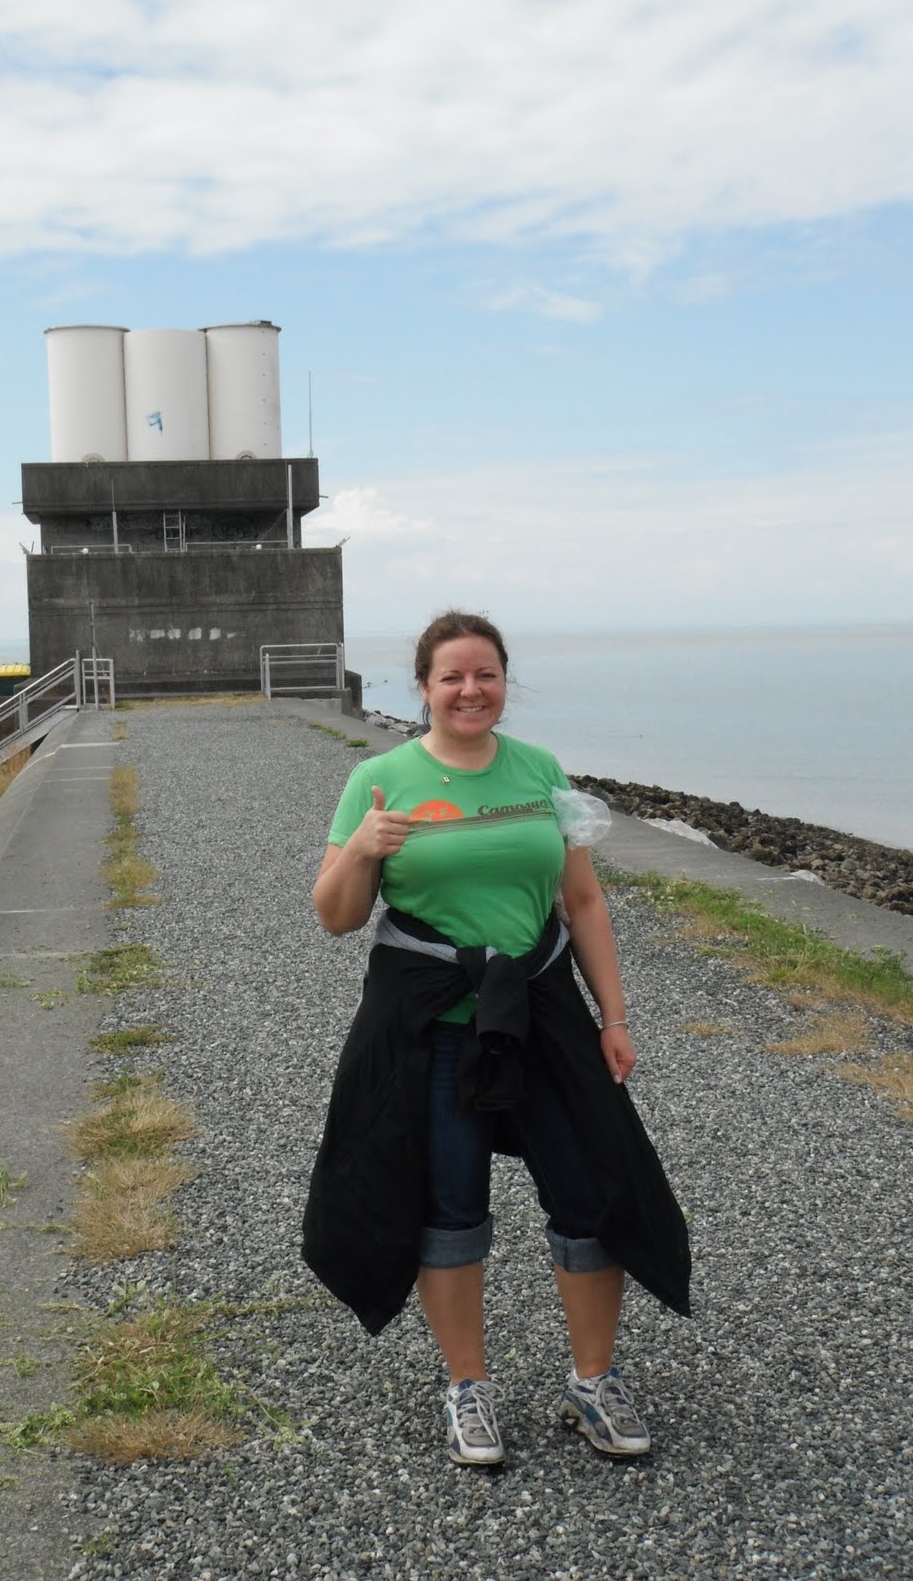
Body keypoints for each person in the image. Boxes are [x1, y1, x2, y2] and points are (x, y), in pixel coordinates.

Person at [303, 611, 690, 1468]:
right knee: (449, 1207)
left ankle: (594, 1382)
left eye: (486, 675)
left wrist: (614, 1020)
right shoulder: (380, 777)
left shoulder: (540, 771)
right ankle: (467, 1388)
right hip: (433, 1025)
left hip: (541, 1015)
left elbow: (580, 901)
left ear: (504, 682)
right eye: (452, 678)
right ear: (425, 687)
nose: (470, 690)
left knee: (591, 1192)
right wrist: (363, 849)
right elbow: (336, 918)